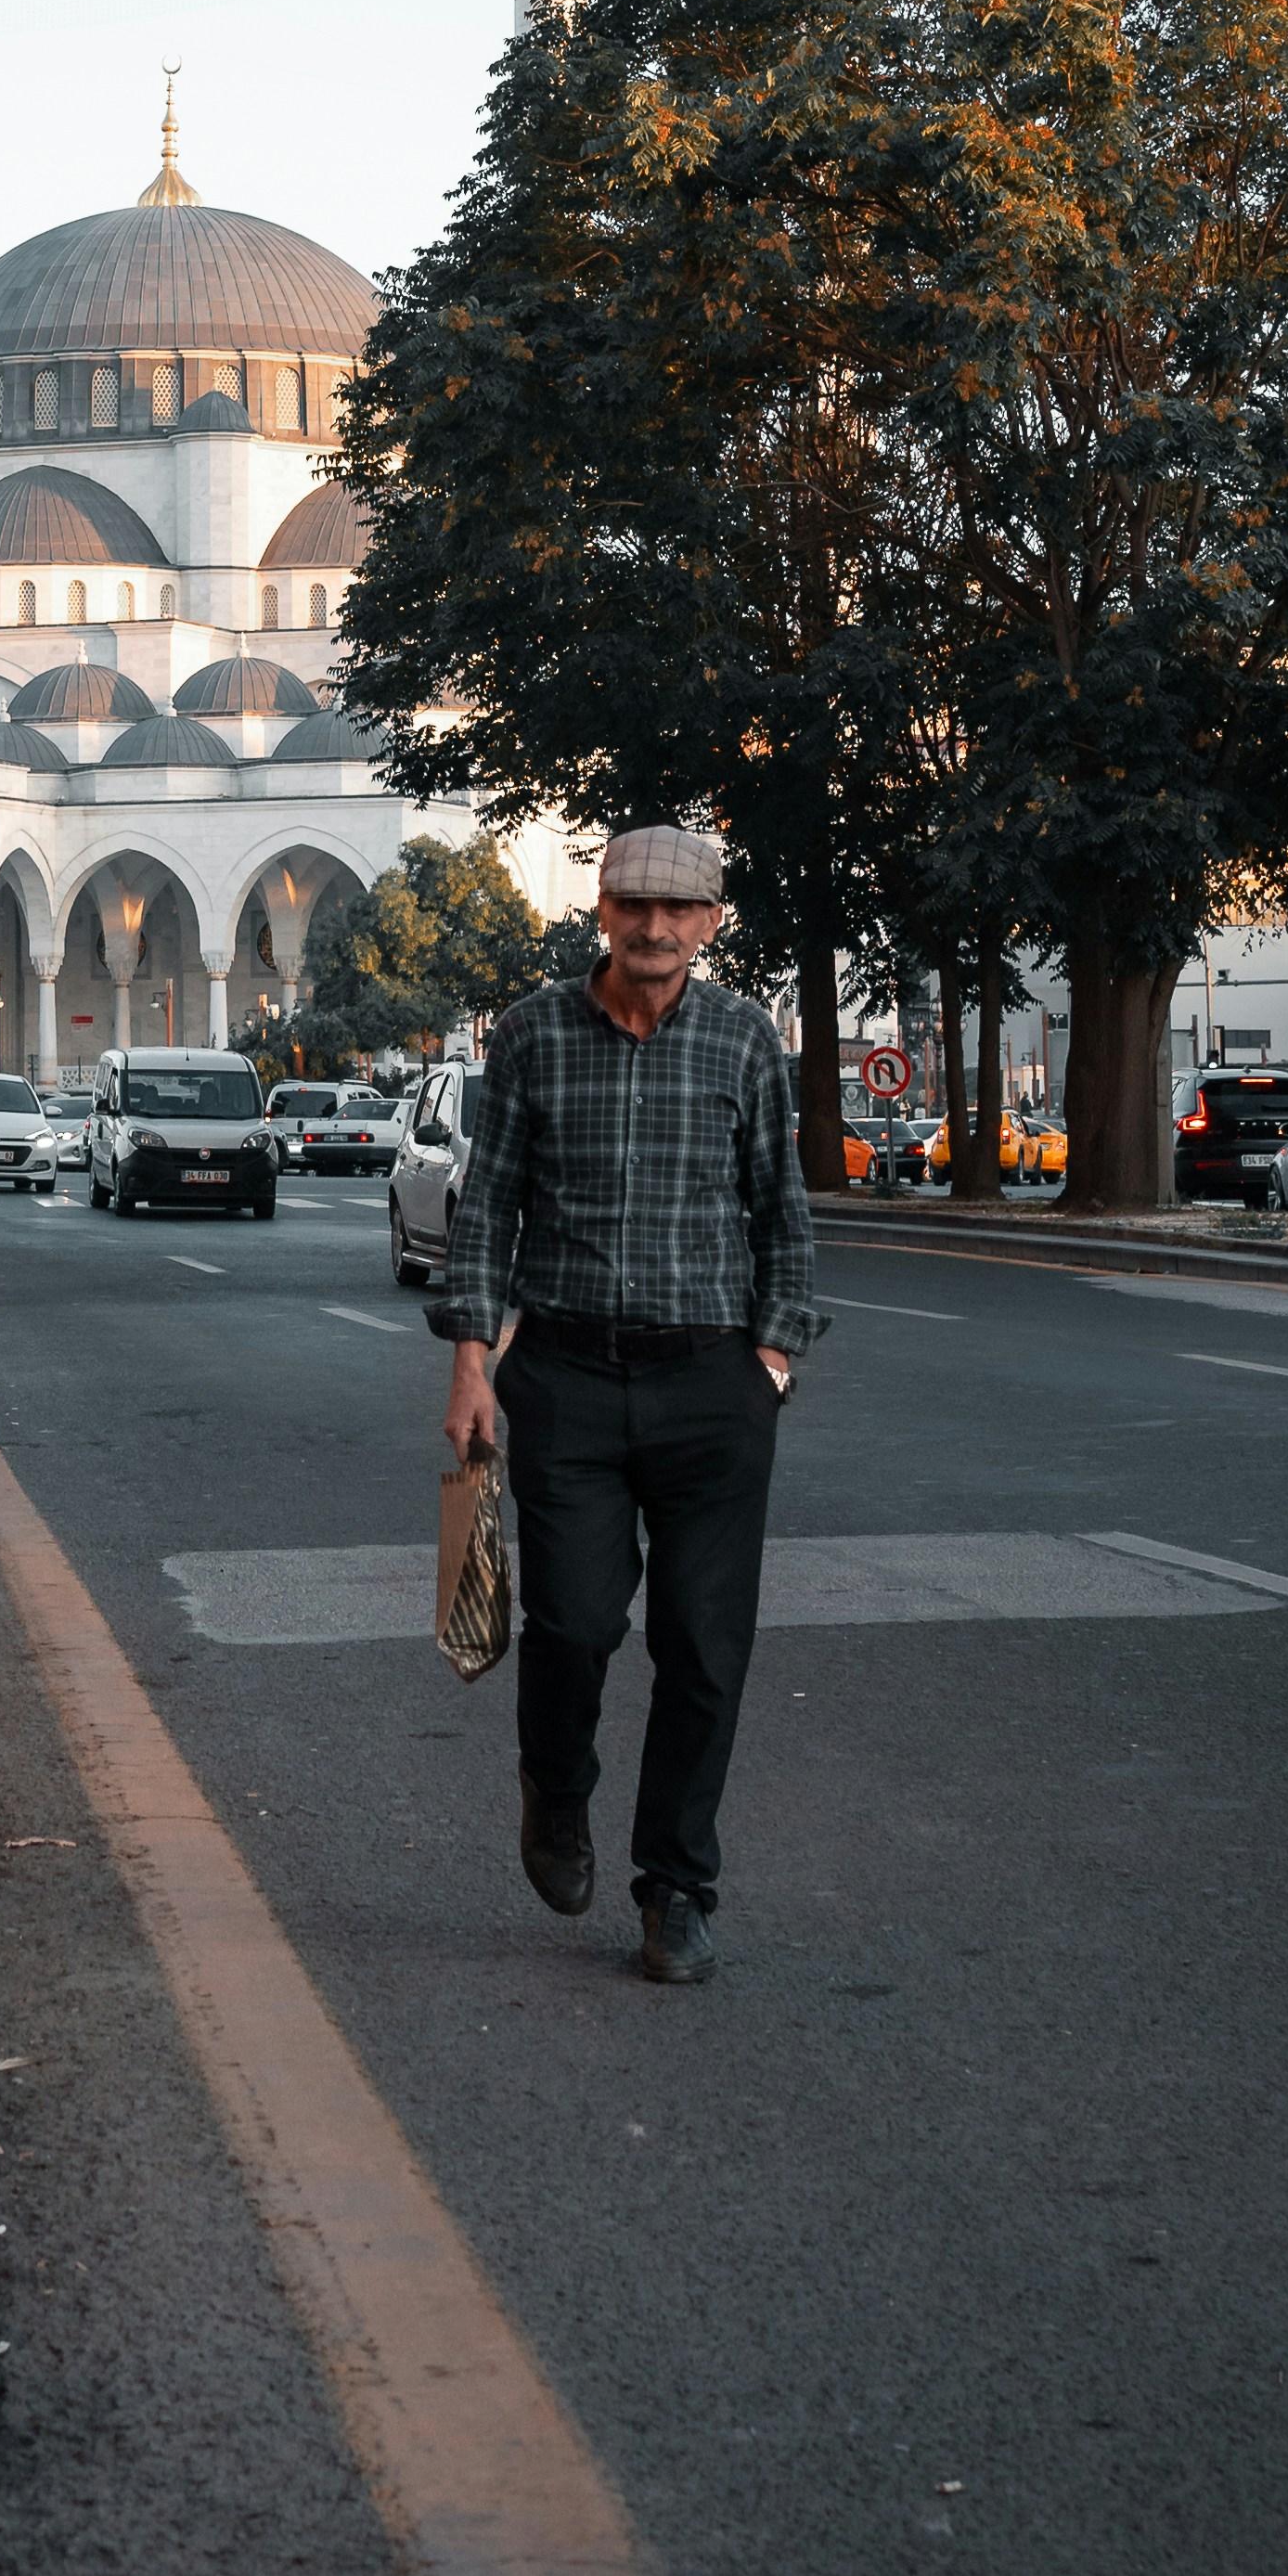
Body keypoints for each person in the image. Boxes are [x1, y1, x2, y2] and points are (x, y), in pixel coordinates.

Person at [433, 824, 817, 1986]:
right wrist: (468, 1363)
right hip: (567, 1379)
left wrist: (771, 1361)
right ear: (599, 911)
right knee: (577, 1626)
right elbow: (487, 1202)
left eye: (678, 911)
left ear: (709, 923)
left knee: (705, 1646)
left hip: (710, 1384)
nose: (654, 930)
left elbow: (779, 1212)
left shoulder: (746, 1039)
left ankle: (677, 1890)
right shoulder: (536, 1034)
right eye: (633, 908)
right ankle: (555, 1790)